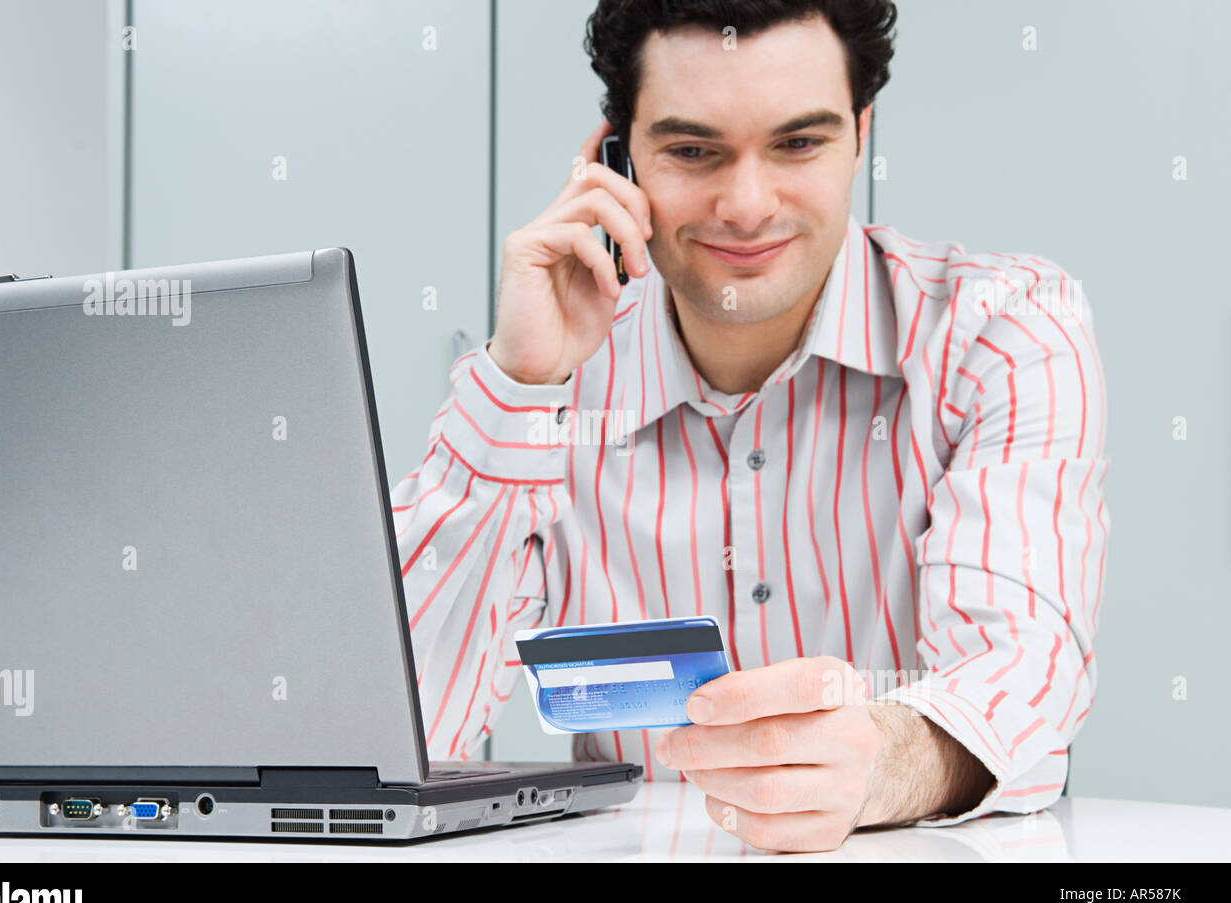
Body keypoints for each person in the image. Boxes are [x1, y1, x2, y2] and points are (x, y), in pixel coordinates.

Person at [389, 0, 1110, 853]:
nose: (746, 204)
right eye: (693, 151)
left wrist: (876, 763)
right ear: (613, 161)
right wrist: (518, 383)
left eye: (799, 143)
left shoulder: (1003, 330)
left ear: (859, 134)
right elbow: (394, 737)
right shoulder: (549, 391)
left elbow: (1021, 673)